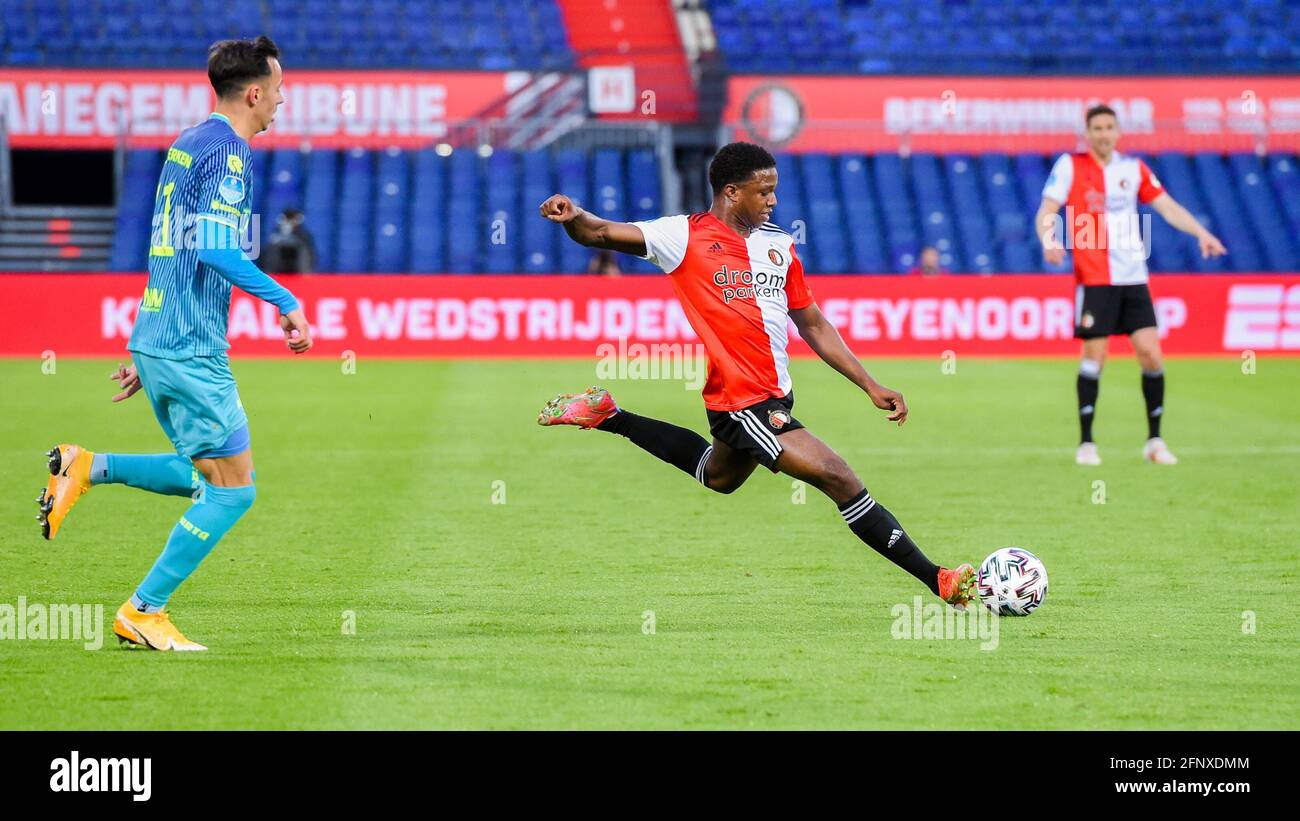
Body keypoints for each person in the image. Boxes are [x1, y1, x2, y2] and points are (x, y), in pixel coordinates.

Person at [535, 142, 976, 609]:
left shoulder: (779, 245)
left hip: (774, 397)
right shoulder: (683, 236)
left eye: (774, 191)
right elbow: (601, 233)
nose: (773, 201)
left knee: (718, 477)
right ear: (731, 192)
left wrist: (870, 384)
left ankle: (610, 415)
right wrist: (574, 214)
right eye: (764, 192)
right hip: (743, 401)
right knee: (840, 479)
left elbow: (813, 324)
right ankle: (939, 579)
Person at [36, 36, 313, 651]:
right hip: (187, 347)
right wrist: (285, 300)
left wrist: (149, 346)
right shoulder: (228, 156)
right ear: (255, 91)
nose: (282, 102)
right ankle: (144, 609)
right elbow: (214, 248)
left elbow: (168, 246)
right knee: (235, 489)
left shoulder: (186, 144)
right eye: (280, 90)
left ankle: (89, 466)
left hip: (165, 338)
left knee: (206, 475)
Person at [1035, 104, 1226, 466]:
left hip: (1134, 277)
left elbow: (1167, 207)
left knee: (1151, 353)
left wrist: (1201, 232)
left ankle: (1154, 441)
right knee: (1095, 356)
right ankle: (1087, 443)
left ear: (1118, 132)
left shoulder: (1133, 169)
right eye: (1097, 128)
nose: (1104, 133)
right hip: (1095, 279)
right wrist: (1049, 239)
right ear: (1087, 133)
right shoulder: (1069, 166)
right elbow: (1047, 210)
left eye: (1110, 127)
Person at [263, 208, 317, 273]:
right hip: (279, 266)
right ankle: (271, 274)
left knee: (302, 249)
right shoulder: (276, 232)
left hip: (298, 267)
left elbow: (310, 252)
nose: (290, 223)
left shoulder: (303, 234)